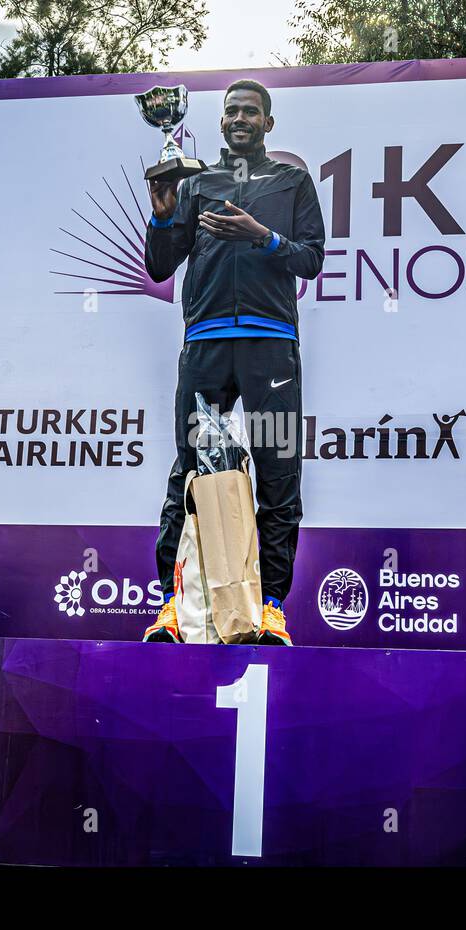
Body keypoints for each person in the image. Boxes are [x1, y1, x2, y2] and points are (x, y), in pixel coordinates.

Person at [141, 78, 325, 645]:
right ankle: (175, 605)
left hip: (271, 347)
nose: (240, 118)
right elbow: (159, 268)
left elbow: (311, 259)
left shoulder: (293, 182)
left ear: (268, 124)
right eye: (231, 112)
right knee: (191, 473)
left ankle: (269, 607)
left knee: (277, 474)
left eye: (251, 111)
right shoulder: (195, 182)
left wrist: (263, 237)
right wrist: (166, 216)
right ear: (220, 123)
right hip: (206, 344)